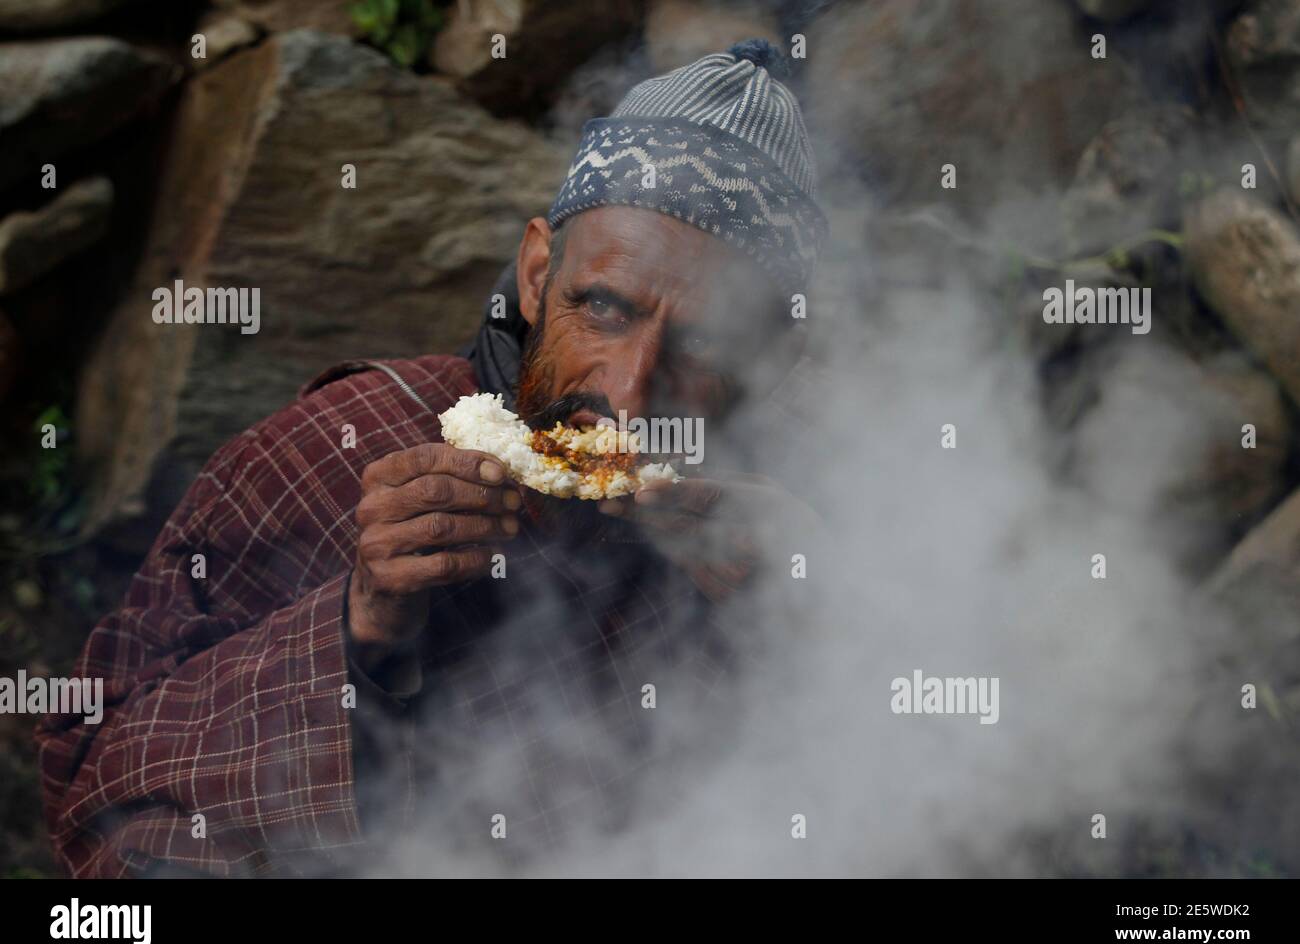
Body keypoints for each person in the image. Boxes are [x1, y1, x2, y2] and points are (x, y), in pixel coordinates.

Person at [35, 39, 828, 876]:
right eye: (602, 307)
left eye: (701, 346)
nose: (629, 396)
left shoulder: (780, 531)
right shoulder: (349, 444)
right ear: (534, 274)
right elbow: (90, 784)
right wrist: (357, 625)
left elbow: (887, 805)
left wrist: (810, 617)